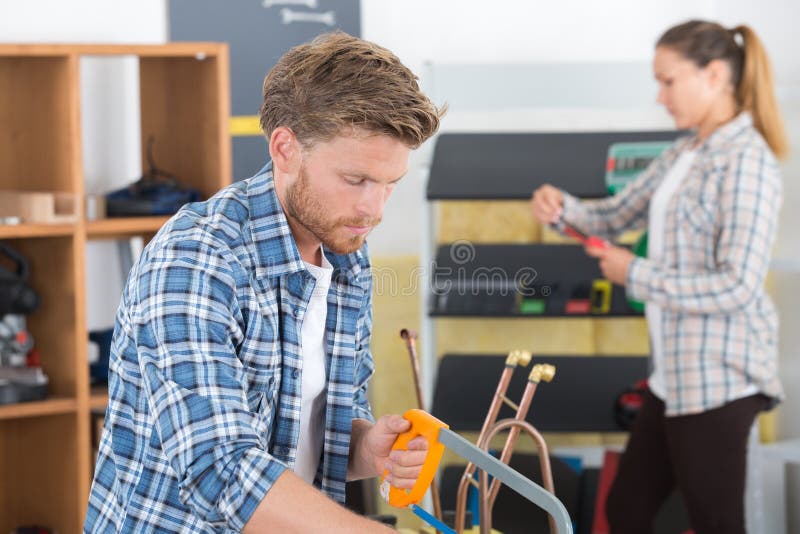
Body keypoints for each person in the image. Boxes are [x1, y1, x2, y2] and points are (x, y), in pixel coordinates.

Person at [85, 32, 444, 533]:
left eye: (390, 185)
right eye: (356, 180)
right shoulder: (194, 260)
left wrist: (364, 446)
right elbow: (221, 471)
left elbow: (303, 437)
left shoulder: (345, 255)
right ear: (285, 148)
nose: (374, 209)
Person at [531, 19, 787, 534]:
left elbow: (738, 284)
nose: (660, 95)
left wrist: (636, 273)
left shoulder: (747, 162)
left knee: (716, 523)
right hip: (673, 378)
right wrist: (562, 209)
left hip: (720, 383)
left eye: (668, 81)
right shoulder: (685, 152)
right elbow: (614, 215)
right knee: (626, 509)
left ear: (714, 74)